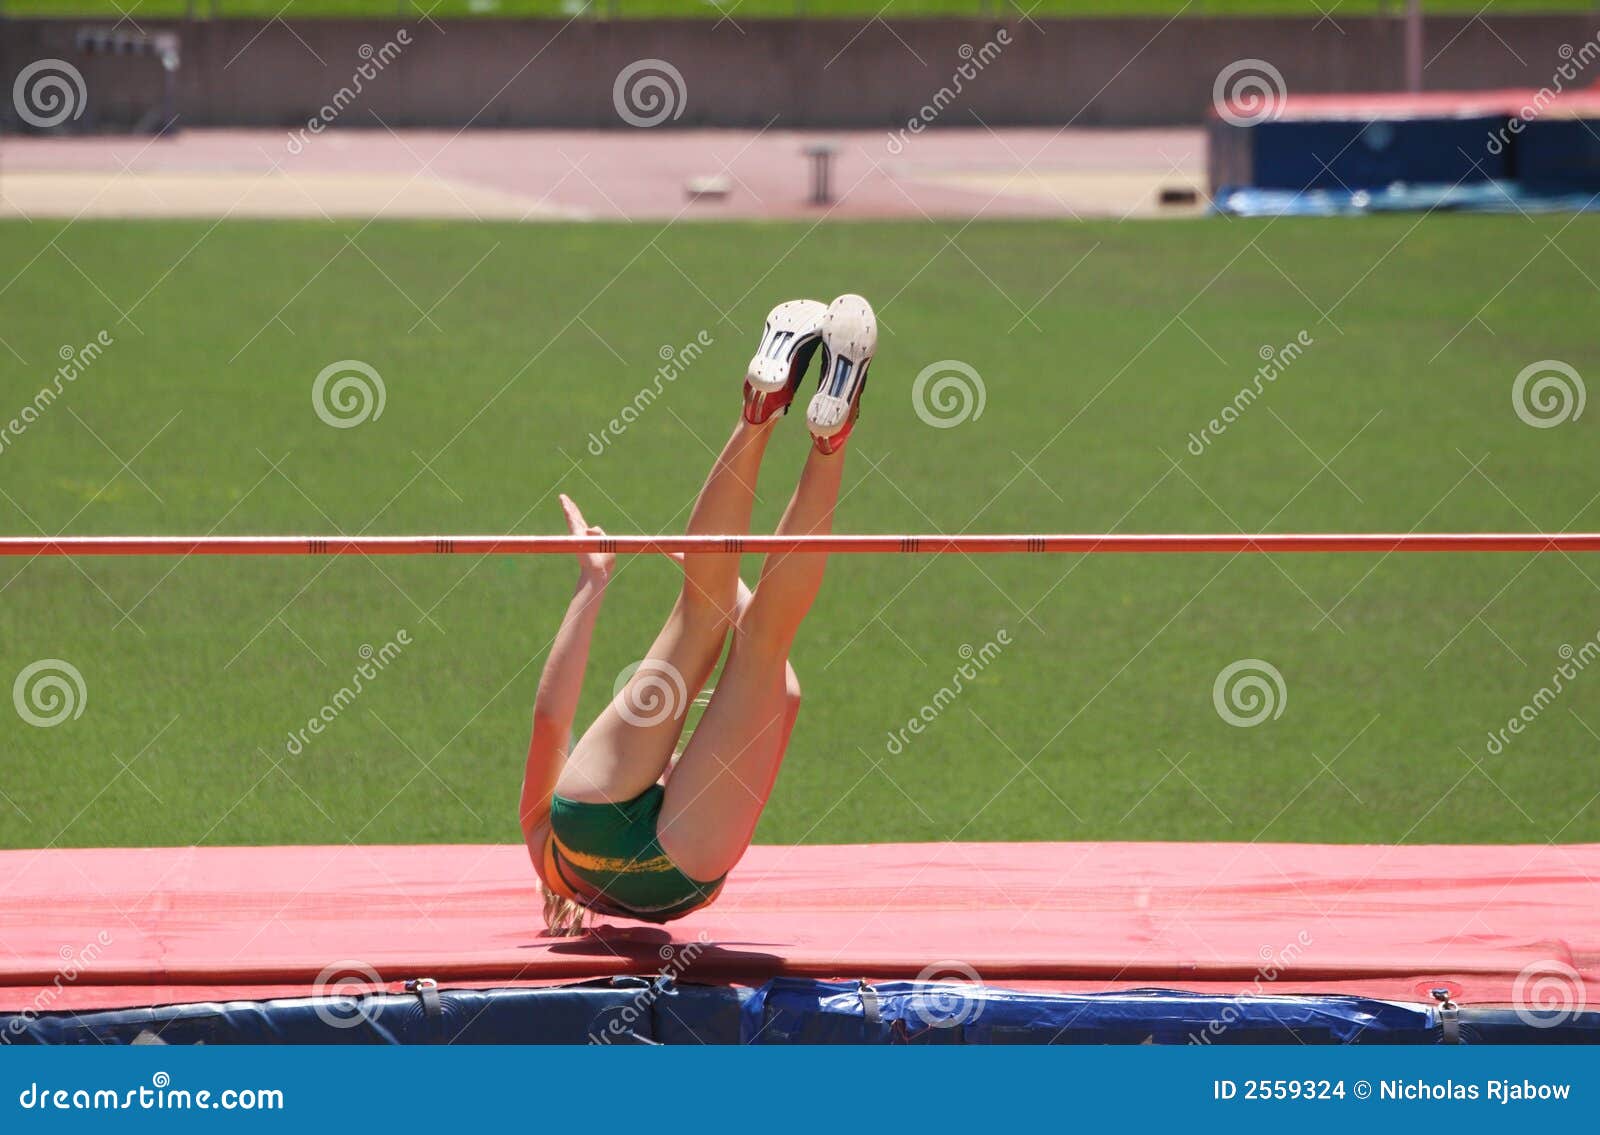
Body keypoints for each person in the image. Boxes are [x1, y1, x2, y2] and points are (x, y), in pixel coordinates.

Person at [519, 294, 877, 932]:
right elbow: (550, 721)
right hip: (587, 818)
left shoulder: (563, 869)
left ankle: (830, 442)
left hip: (680, 872)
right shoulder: (544, 855)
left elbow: (783, 691)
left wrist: (736, 593)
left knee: (765, 642)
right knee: (701, 609)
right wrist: (594, 584)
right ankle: (758, 412)